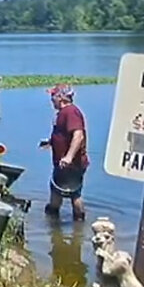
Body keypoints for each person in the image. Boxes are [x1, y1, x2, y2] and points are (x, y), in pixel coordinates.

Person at [40, 83, 89, 221]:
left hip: (71, 164)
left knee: (73, 193)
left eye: (53, 96)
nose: (51, 99)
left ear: (61, 97)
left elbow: (78, 135)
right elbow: (64, 135)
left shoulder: (71, 112)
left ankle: (73, 223)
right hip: (64, 163)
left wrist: (68, 157)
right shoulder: (63, 113)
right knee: (61, 191)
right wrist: (51, 142)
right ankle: (66, 229)